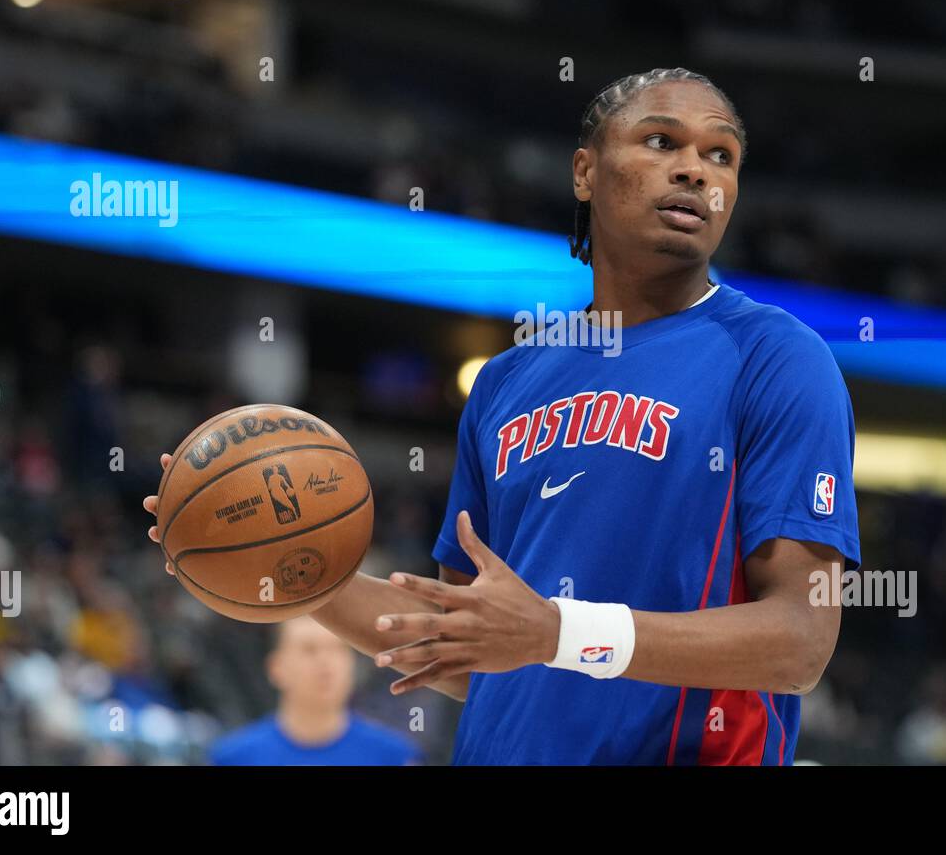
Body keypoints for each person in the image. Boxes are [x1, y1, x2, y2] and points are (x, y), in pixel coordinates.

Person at [144, 67, 860, 765]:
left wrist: (556, 631)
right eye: (661, 141)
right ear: (585, 172)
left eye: (720, 155)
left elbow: (799, 643)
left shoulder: (777, 359)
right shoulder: (506, 381)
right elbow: (469, 647)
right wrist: (279, 566)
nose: (695, 171)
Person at [208, 615, 421, 766]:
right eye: (309, 649)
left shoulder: (394, 757)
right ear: (276, 668)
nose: (326, 663)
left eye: (338, 649)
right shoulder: (234, 758)